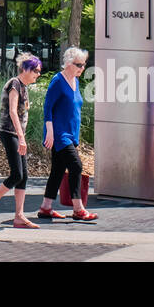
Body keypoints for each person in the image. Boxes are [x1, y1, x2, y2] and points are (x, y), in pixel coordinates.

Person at [0, 54, 43, 229]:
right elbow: (13, 112)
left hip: (16, 134)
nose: (38, 74)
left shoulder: (23, 86)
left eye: (39, 71)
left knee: (23, 176)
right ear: (25, 69)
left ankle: (19, 216)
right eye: (36, 71)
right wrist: (21, 138)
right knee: (17, 174)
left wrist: (22, 136)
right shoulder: (14, 84)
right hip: (10, 133)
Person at [39, 47, 96, 221]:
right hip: (59, 134)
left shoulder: (75, 82)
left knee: (57, 170)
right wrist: (49, 131)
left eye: (84, 65)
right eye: (78, 65)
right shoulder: (58, 81)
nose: (82, 68)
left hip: (71, 134)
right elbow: (47, 107)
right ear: (68, 64)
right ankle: (78, 209)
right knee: (76, 165)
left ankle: (46, 207)